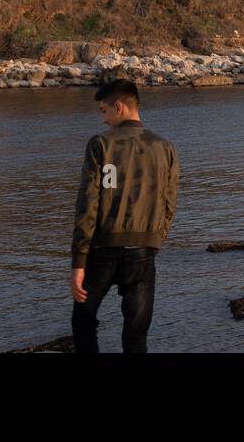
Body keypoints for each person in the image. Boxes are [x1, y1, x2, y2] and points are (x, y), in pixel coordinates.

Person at [71, 79, 179, 353]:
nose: (103, 118)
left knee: (83, 322)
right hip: (144, 252)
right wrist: (155, 237)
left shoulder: (100, 144)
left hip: (103, 251)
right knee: (136, 335)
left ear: (118, 107)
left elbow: (88, 205)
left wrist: (78, 262)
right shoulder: (165, 147)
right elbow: (169, 202)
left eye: (103, 110)